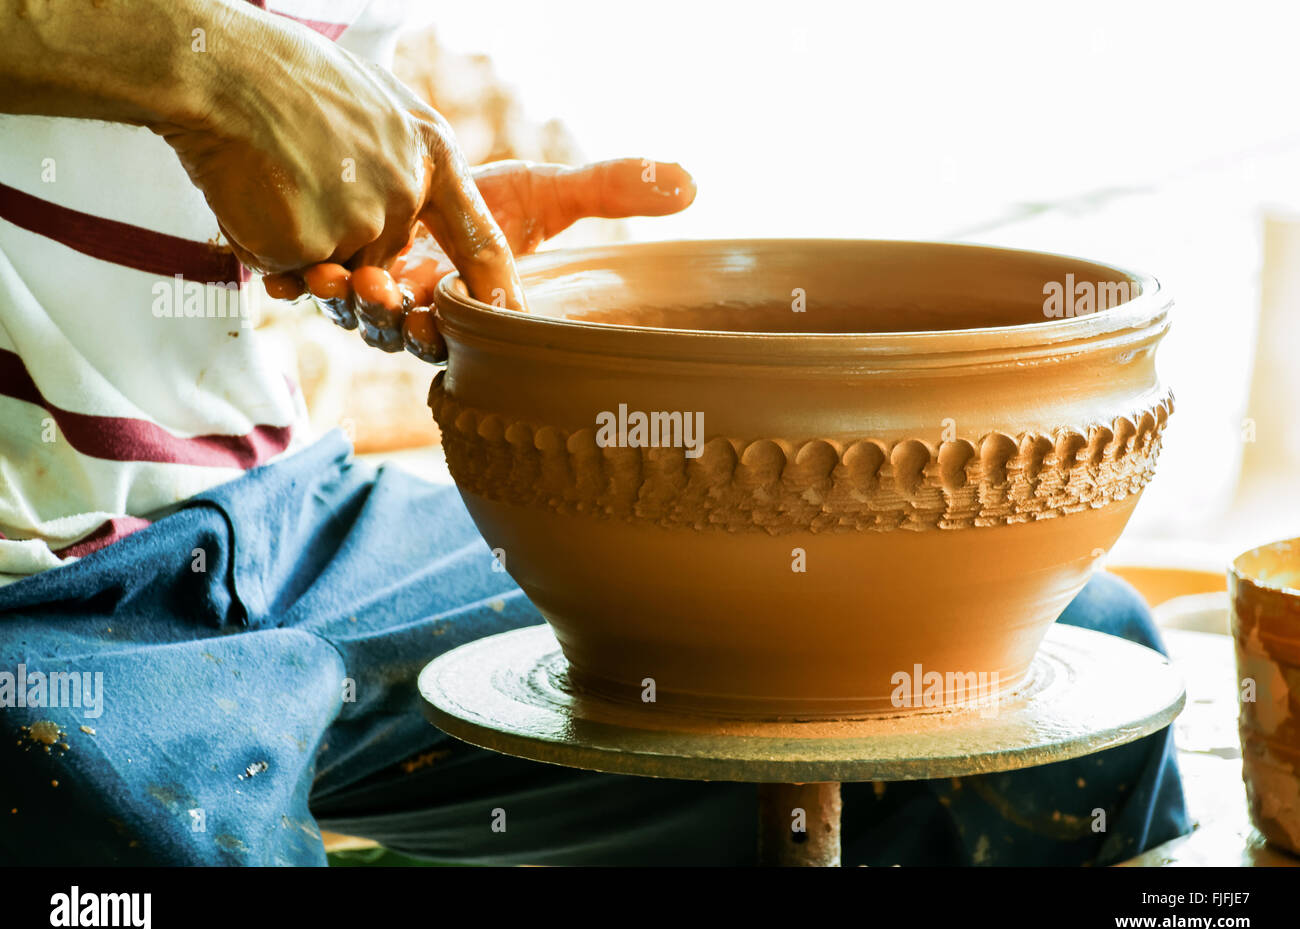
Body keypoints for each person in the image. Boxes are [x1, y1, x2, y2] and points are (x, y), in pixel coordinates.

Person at [0, 0, 1188, 865]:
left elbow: (209, 201)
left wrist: (382, 234)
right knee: (134, 815)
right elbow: (210, 81)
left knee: (1051, 695)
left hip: (265, 514)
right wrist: (195, 60)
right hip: (32, 604)